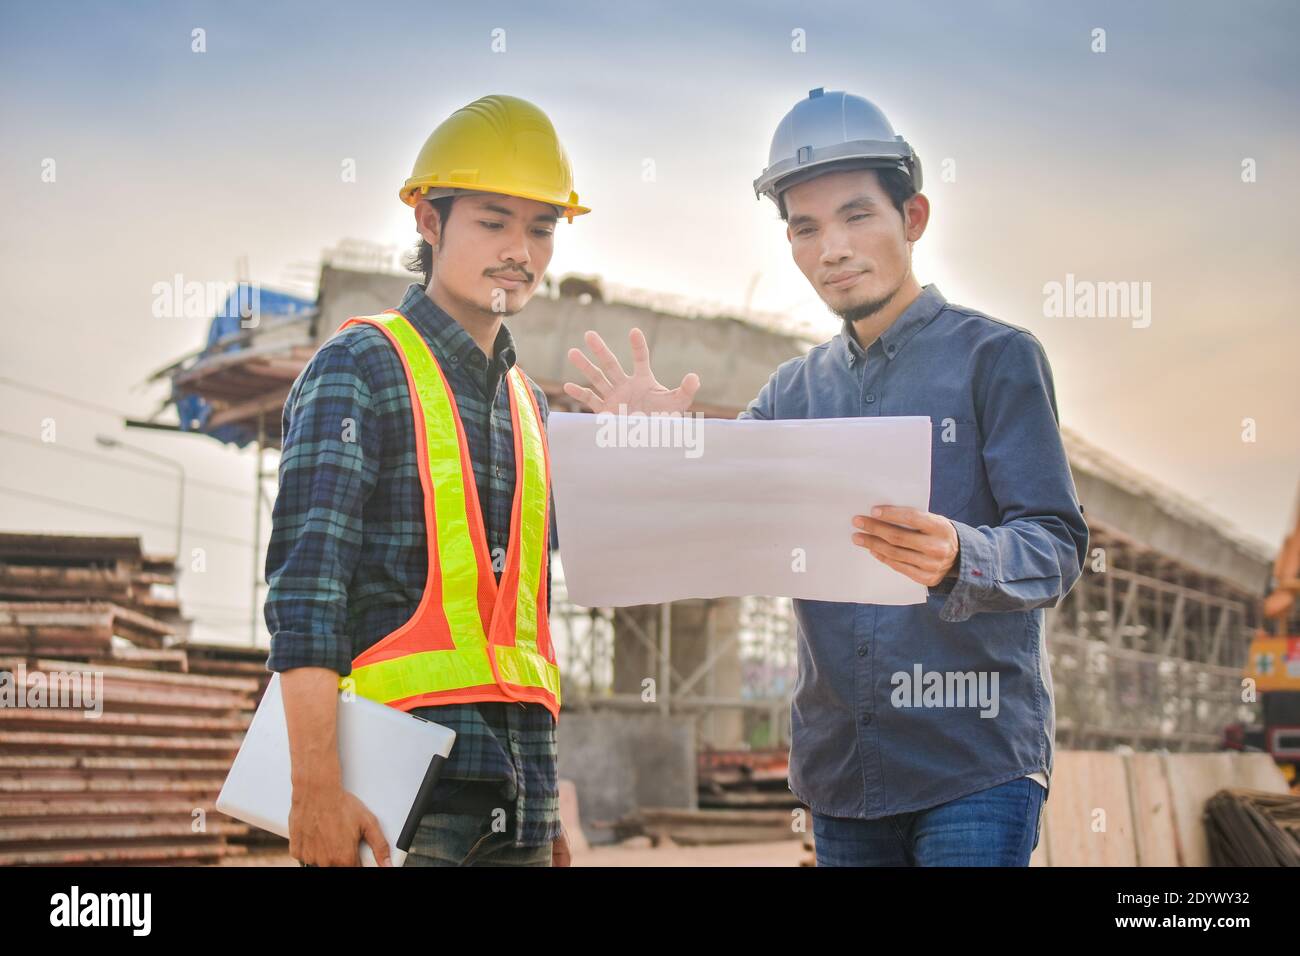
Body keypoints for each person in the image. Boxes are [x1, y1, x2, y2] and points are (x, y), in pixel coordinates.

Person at [563, 88, 1088, 866]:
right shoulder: (791, 395)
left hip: (974, 765)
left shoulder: (996, 361)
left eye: (856, 216)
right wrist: (662, 450)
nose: (831, 248)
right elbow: (717, 522)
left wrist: (960, 554)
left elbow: (1056, 543)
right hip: (844, 777)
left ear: (913, 219)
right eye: (804, 228)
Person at [265, 93, 588, 867]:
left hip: (518, 801)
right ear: (429, 221)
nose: (521, 249)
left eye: (541, 227)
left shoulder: (530, 406)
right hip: (403, 803)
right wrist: (313, 789)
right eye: (493, 220)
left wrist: (545, 812)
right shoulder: (359, 367)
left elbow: (520, 628)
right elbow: (306, 598)